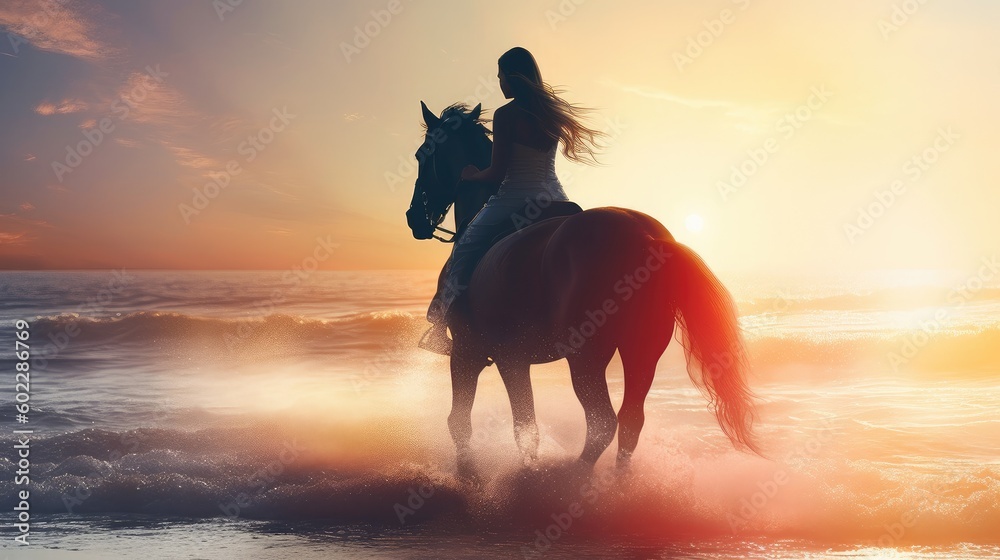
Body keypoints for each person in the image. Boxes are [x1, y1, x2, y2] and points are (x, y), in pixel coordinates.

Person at [420, 46, 605, 355]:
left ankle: (443, 326)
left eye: (500, 76)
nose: (499, 83)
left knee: (464, 247)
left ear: (512, 77)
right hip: (556, 197)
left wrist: (470, 175)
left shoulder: (507, 115)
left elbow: (497, 173)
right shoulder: (551, 113)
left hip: (515, 197)